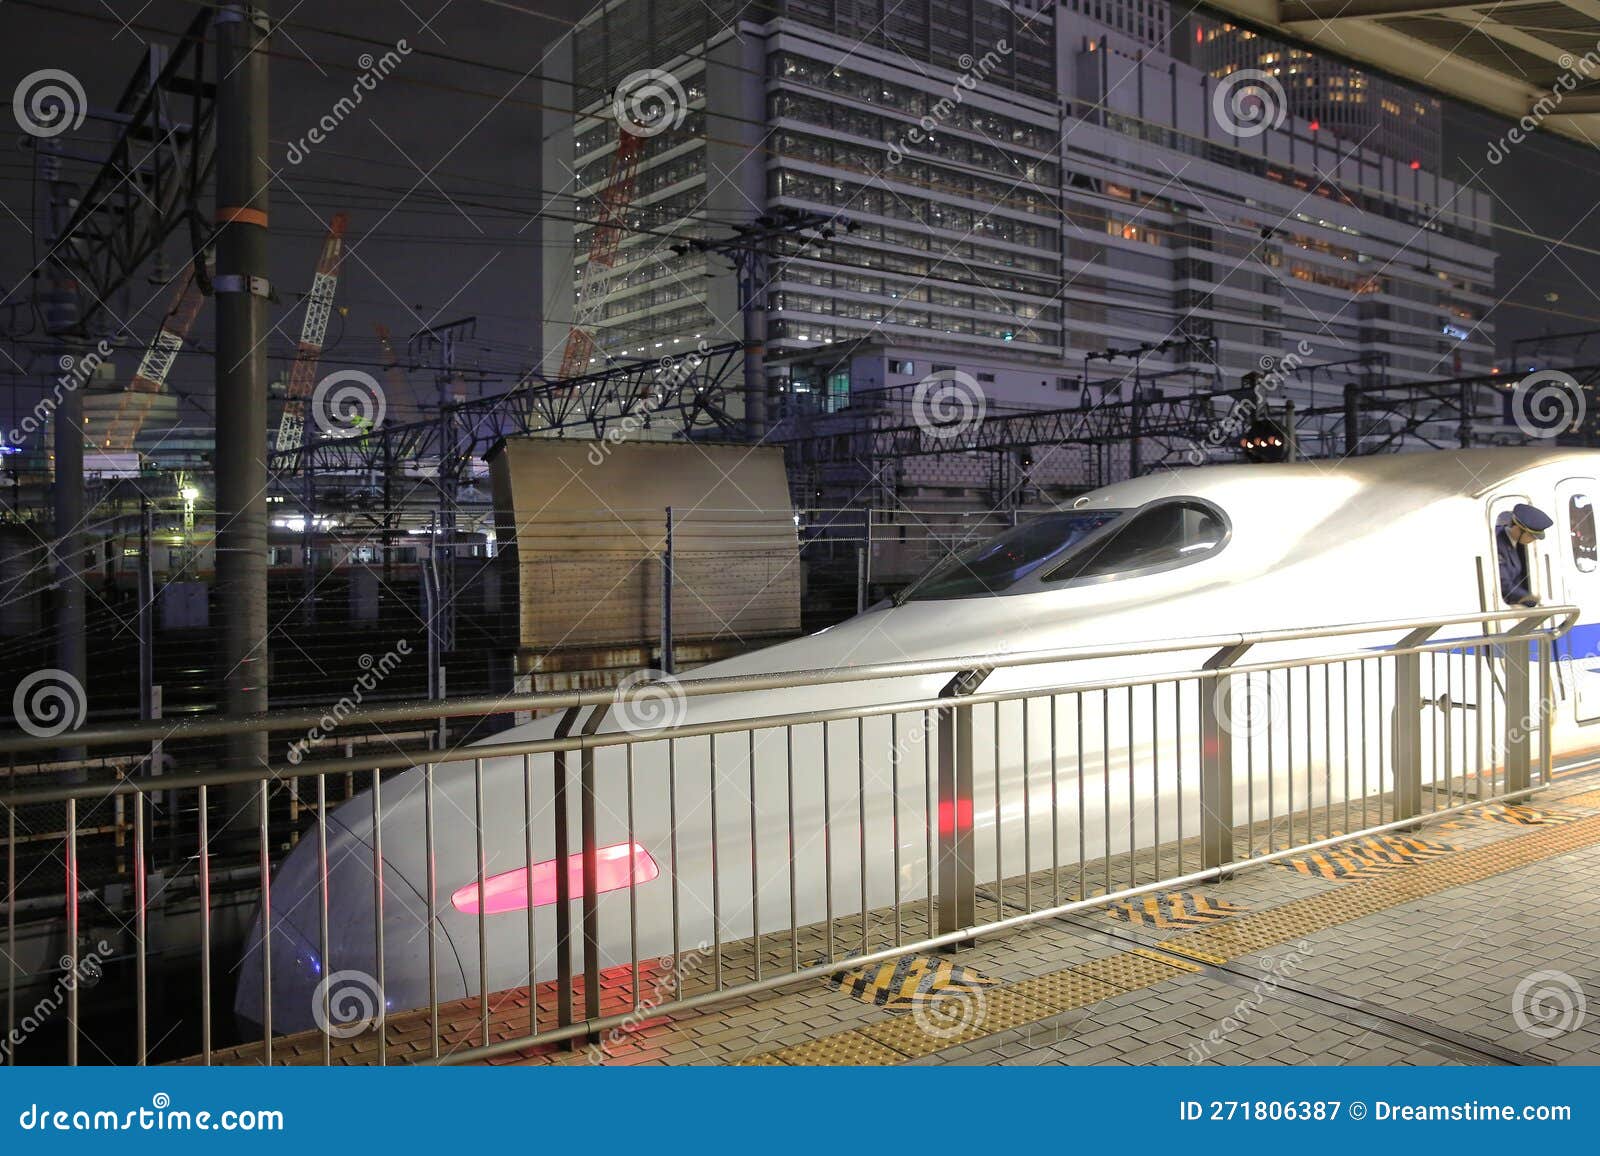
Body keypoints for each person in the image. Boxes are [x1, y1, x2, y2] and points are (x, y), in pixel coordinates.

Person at [1497, 503, 1553, 607]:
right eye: (1531, 536)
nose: (1533, 540)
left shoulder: (1513, 542)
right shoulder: (1499, 543)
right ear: (1517, 529)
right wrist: (1526, 597)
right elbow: (1503, 583)